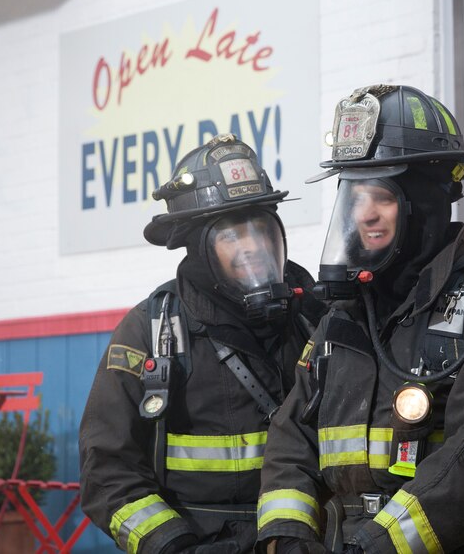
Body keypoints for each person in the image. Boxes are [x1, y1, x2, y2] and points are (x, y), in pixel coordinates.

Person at [255, 85, 464, 553]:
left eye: (382, 196)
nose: (365, 215)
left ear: (424, 204)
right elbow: (292, 437)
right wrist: (286, 534)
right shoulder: (342, 323)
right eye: (354, 196)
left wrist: (372, 546)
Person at [80, 133, 327, 554]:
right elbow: (106, 469)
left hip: (303, 539)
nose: (253, 247)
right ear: (197, 247)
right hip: (199, 537)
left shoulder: (315, 319)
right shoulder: (149, 331)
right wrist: (173, 545)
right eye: (231, 235)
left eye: (262, 229)